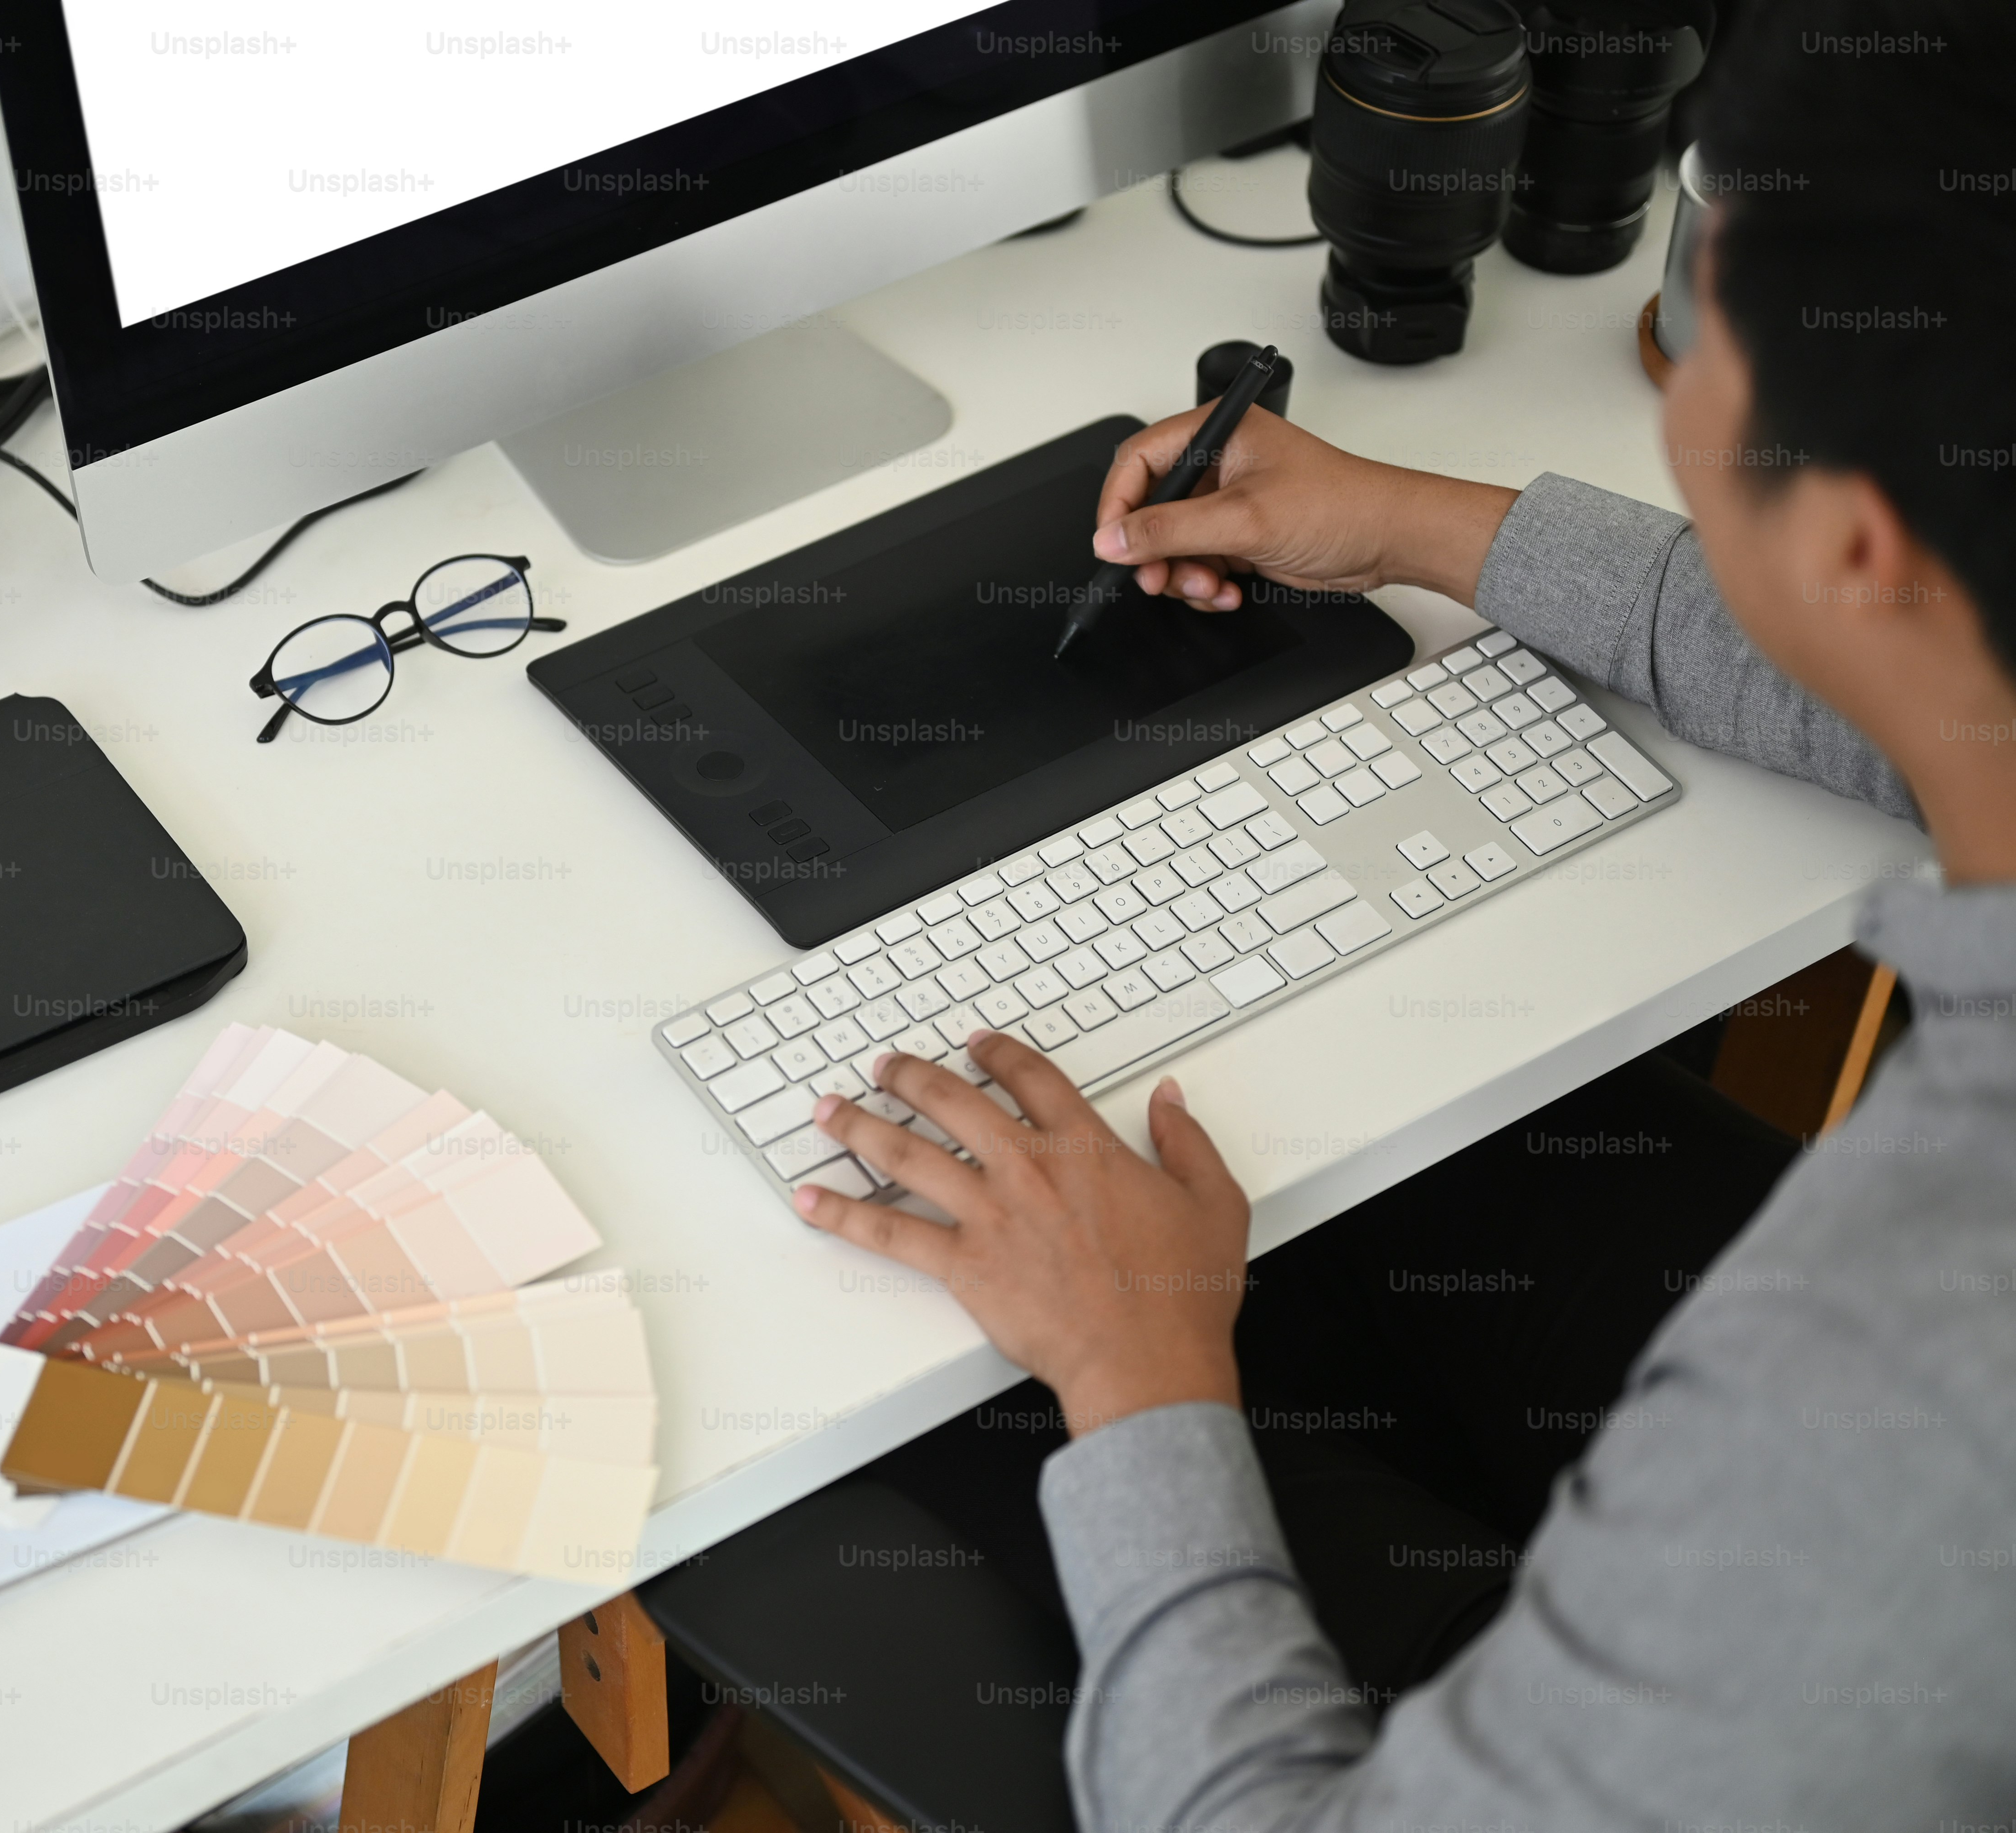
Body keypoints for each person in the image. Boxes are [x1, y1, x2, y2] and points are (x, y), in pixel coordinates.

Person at [793, 0, 2016, 1820]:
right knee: (1417, 1200)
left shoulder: (1902, 1381)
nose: (1669, 367)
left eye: (1703, 326)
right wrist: (1404, 521)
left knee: (865, 1429)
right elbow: (1911, 678)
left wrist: (1133, 1373)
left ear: (1854, 539)